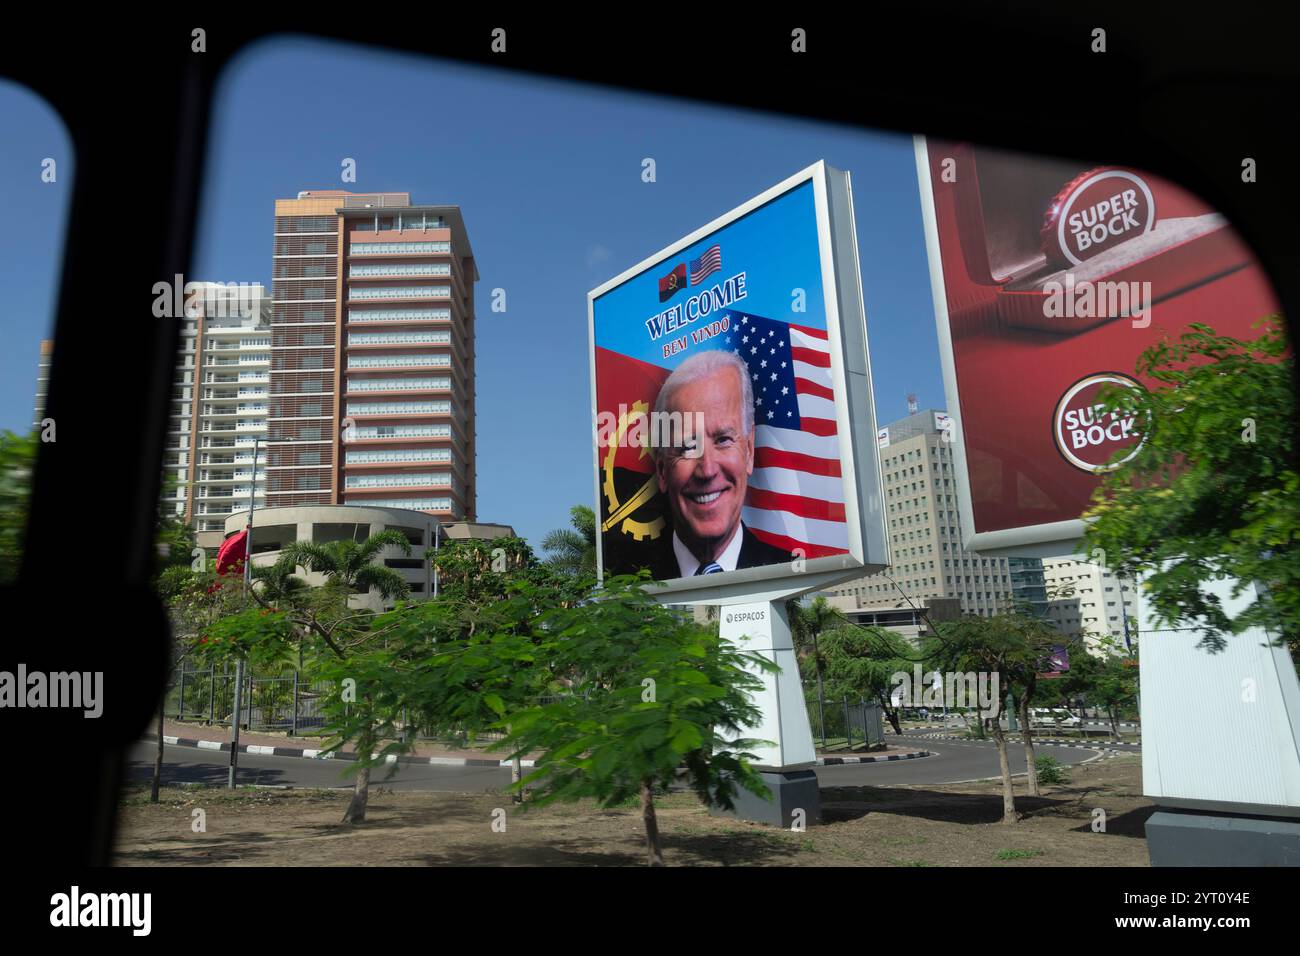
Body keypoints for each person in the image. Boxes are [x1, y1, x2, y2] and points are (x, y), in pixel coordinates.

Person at [643, 350, 792, 579]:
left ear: (749, 451)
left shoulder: (789, 570)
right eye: (688, 447)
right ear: (662, 470)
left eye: (723, 440)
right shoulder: (628, 582)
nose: (708, 470)